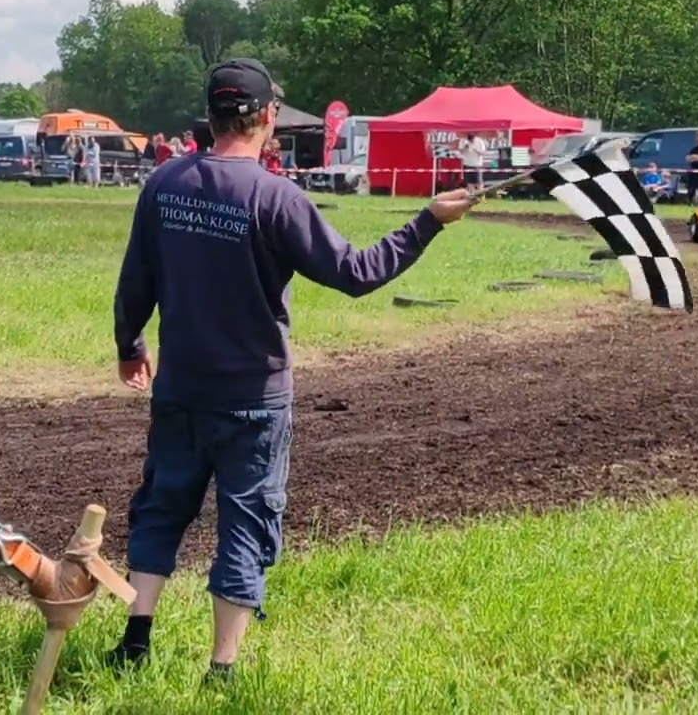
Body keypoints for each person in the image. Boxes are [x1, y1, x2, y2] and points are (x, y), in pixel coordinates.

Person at [105, 57, 476, 683]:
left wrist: (129, 344)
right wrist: (427, 222)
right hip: (254, 399)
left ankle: (134, 643)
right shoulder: (275, 197)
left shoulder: (163, 183)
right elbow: (356, 274)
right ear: (266, 117)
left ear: (214, 114)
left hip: (180, 391)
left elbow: (135, 280)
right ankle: (220, 671)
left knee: (161, 508)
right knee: (246, 523)